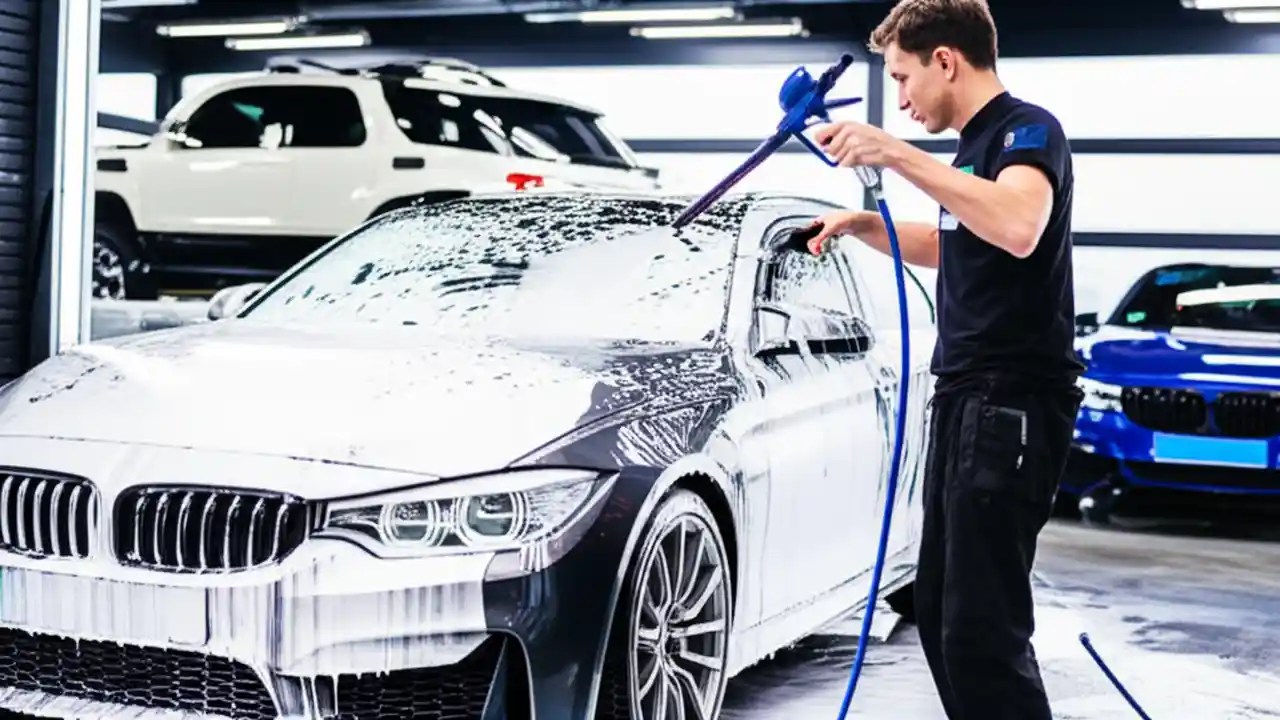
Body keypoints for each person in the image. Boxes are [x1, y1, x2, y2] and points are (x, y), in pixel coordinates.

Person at [805, 1, 1085, 718]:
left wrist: (896, 155)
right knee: (938, 610)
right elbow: (959, 238)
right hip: (966, 399)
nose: (898, 98)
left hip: (1010, 402)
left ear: (946, 61)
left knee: (981, 628)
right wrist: (867, 225)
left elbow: (1019, 226)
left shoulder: (1027, 131)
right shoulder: (973, 151)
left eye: (902, 77)